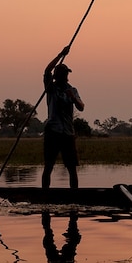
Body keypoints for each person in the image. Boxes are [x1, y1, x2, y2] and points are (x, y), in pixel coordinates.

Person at [42, 45, 85, 188]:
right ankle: (45, 196)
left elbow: (81, 107)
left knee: (72, 167)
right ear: (57, 77)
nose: (66, 77)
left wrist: (73, 98)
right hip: (53, 131)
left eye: (67, 74)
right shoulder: (51, 88)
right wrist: (60, 54)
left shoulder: (72, 90)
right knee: (48, 166)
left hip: (68, 132)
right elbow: (47, 70)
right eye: (64, 74)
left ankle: (74, 196)